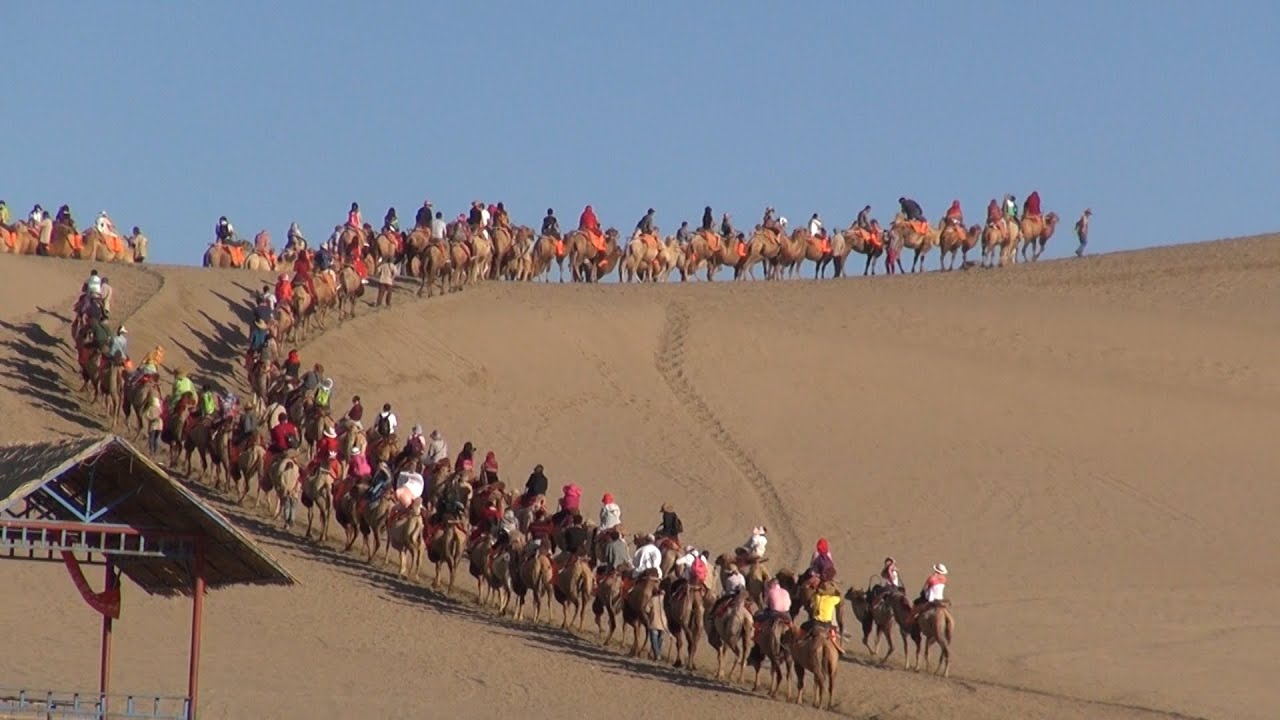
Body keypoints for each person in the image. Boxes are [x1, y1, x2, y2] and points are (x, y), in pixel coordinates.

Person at [805, 580, 845, 654]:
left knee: (803, 628)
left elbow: (810, 593)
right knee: (833, 634)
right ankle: (837, 646)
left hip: (816, 624)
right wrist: (836, 587)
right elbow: (840, 596)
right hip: (827, 625)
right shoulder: (833, 599)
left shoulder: (817, 597)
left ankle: (799, 644)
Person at [648, 586, 668, 661]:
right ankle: (658, 653)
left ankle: (657, 655)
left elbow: (647, 609)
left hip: (654, 622)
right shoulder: (666, 601)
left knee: (654, 639)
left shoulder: (653, 599)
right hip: (663, 623)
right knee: (660, 638)